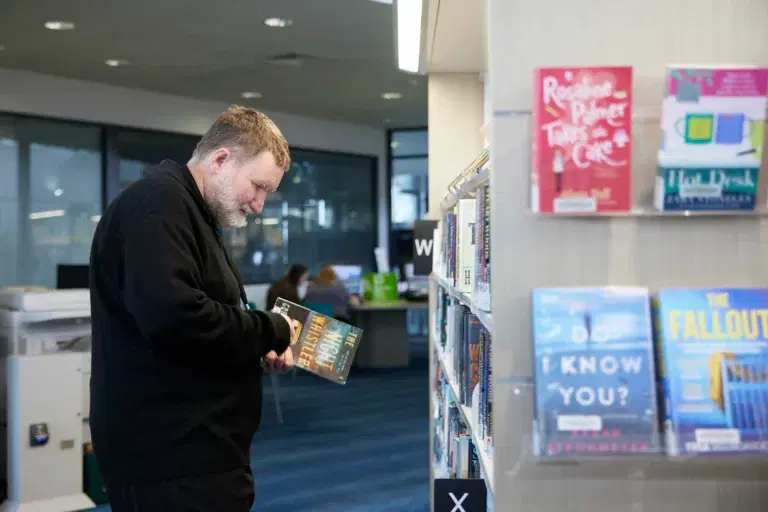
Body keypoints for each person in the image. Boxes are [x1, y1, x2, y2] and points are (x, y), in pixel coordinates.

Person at [89, 105, 297, 511]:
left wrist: (252, 351)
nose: (258, 205)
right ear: (221, 159)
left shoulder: (188, 211)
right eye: (257, 187)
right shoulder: (158, 204)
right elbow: (175, 316)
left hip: (195, 453)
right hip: (171, 460)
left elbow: (194, 327)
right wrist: (271, 328)